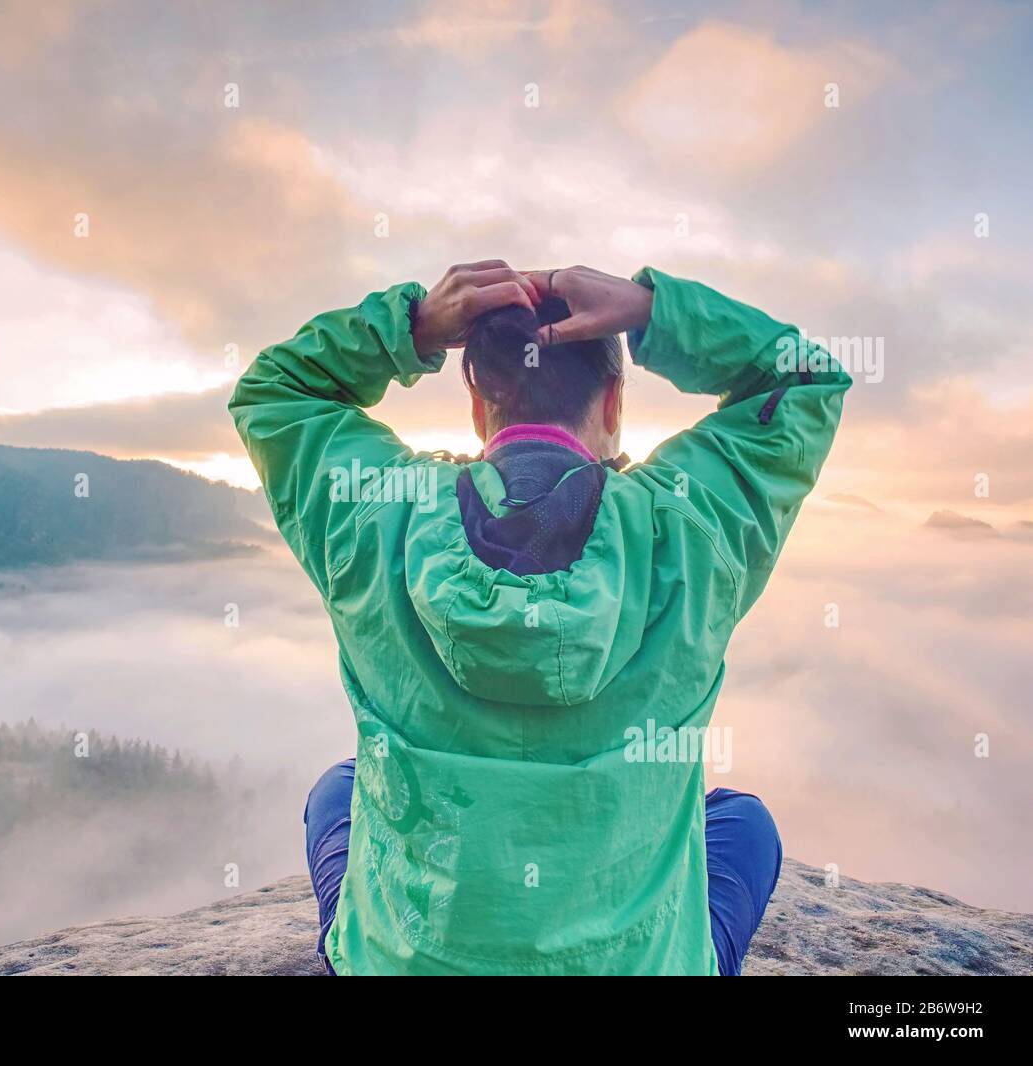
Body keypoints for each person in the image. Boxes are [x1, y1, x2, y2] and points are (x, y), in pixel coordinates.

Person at [230, 261, 852, 974]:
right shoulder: (690, 523)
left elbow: (274, 393)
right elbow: (805, 380)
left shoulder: (378, 512)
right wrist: (655, 311)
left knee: (338, 789)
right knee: (743, 823)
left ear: (477, 406)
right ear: (614, 404)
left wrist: (412, 326)